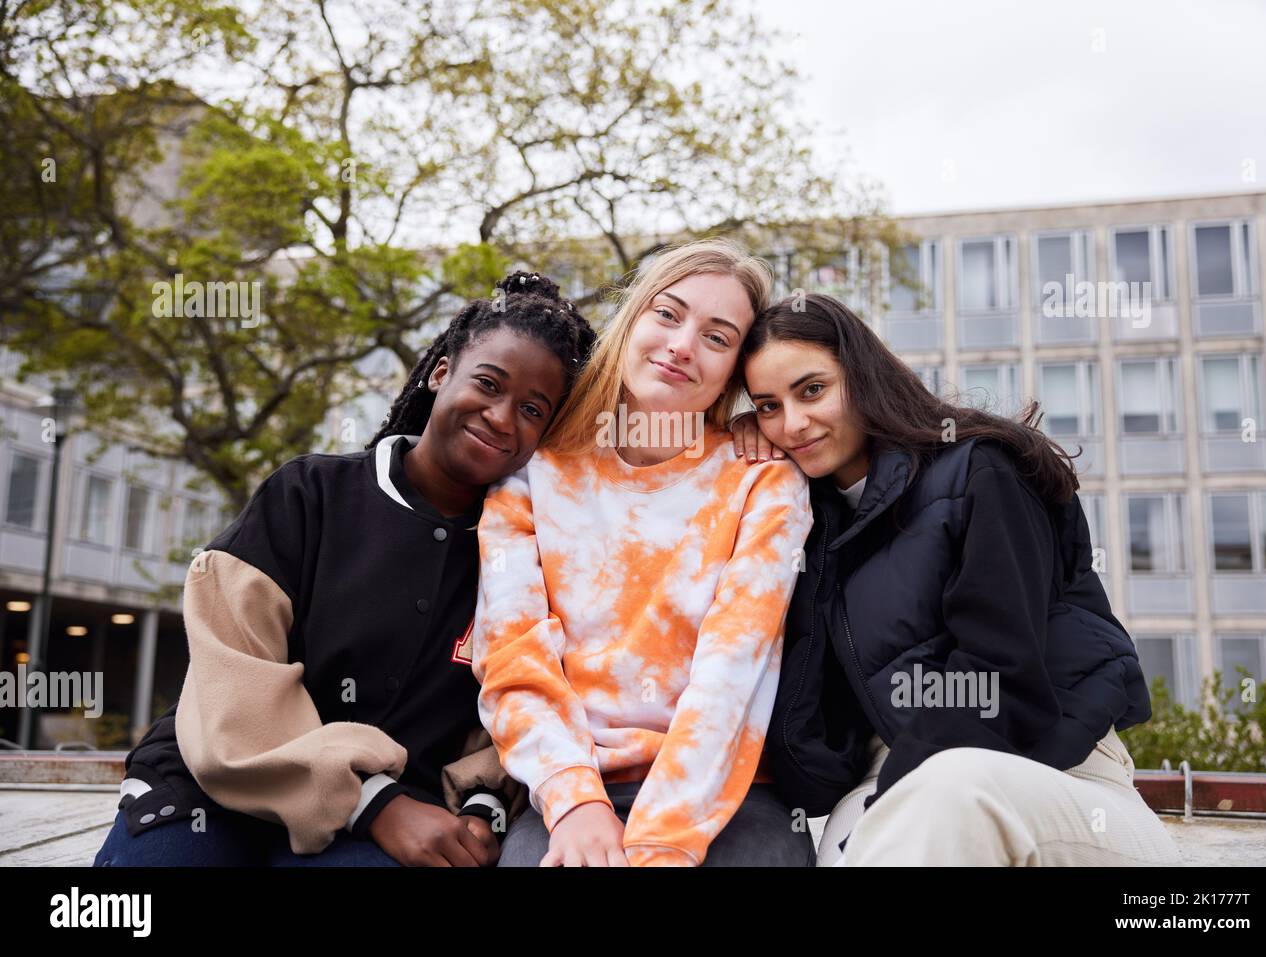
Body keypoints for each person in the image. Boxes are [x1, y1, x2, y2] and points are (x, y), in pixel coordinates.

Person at [94, 271, 595, 867]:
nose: (502, 416)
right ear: (441, 373)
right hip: (216, 789)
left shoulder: (523, 552)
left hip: (392, 821)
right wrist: (373, 802)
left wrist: (481, 806)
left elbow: (512, 706)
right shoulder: (307, 495)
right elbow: (234, 685)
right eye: (488, 383)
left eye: (533, 409)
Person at [735, 292, 1182, 866]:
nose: (792, 424)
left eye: (812, 390)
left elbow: (1001, 681)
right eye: (768, 406)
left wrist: (895, 797)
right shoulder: (808, 519)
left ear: (864, 377)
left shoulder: (979, 470)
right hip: (895, 772)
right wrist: (732, 446)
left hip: (1057, 769)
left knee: (941, 798)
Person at [471, 239, 816, 866]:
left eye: (717, 337)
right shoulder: (533, 473)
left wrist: (662, 843)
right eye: (667, 313)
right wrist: (574, 801)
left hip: (726, 794)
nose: (683, 344)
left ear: (736, 369)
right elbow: (513, 656)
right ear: (631, 320)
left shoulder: (761, 480)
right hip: (571, 788)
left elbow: (735, 670)